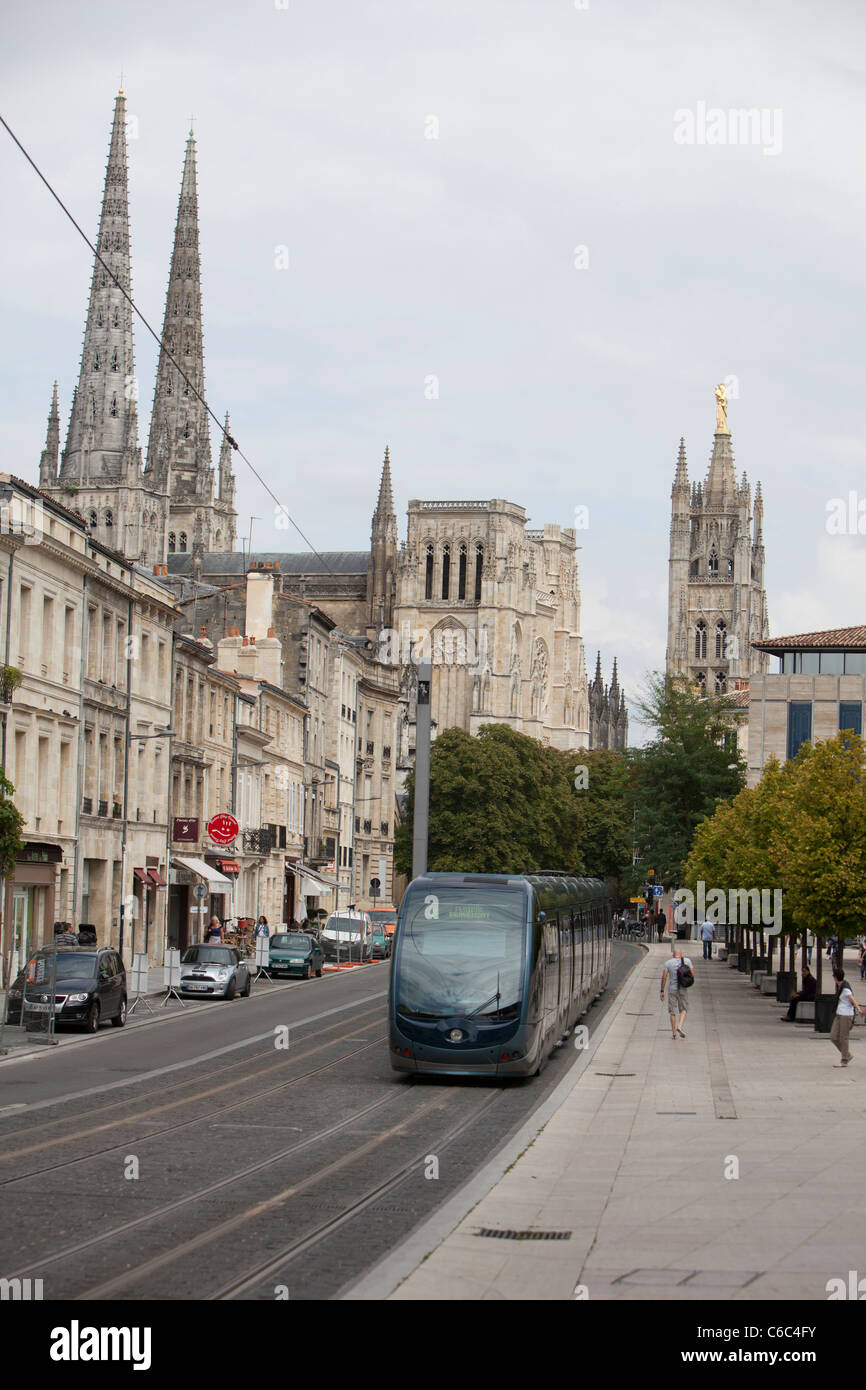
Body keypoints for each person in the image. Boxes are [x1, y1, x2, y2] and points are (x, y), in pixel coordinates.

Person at [830, 968, 865, 1067]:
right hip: (839, 1014)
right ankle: (847, 1055)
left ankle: (844, 1060)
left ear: (835, 977)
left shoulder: (845, 988)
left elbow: (852, 999)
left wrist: (859, 1010)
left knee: (843, 1038)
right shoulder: (840, 986)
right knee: (833, 1036)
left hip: (846, 1015)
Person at [660, 946, 694, 1040]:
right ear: (681, 955)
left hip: (672, 989)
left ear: (673, 955)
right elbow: (692, 974)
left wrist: (662, 990)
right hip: (683, 988)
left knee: (672, 1011)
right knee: (684, 1009)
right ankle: (680, 1026)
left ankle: (674, 1033)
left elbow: (664, 977)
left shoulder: (668, 963)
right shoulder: (687, 961)